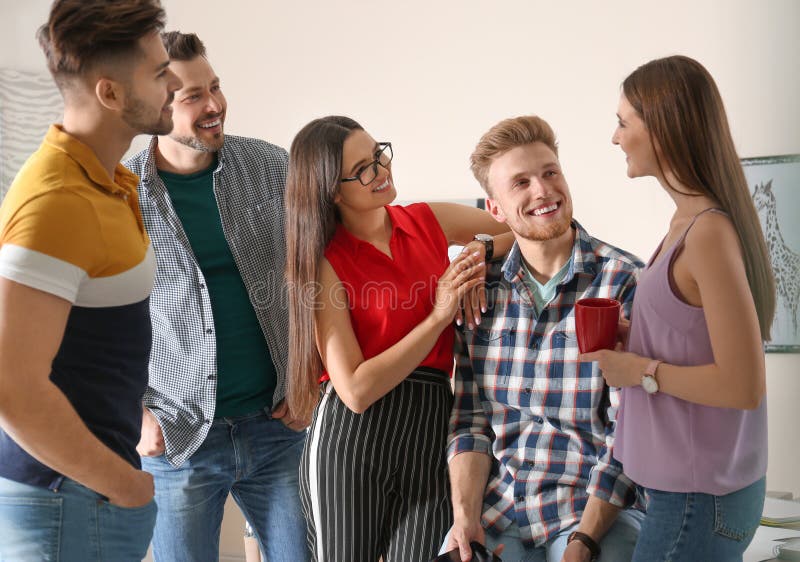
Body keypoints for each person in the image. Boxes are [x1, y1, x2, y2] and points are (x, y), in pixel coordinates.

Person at [285, 115, 513, 562]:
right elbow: (354, 390)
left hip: (431, 428)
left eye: (379, 154)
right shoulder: (323, 262)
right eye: (364, 168)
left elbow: (524, 229)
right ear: (333, 189)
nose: (381, 170)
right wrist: (438, 314)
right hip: (351, 441)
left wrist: (479, 251)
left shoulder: (427, 220)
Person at [0, 1, 181, 560]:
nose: (174, 81)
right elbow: (12, 388)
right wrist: (123, 485)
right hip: (68, 501)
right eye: (158, 72)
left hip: (86, 495)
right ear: (109, 93)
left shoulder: (108, 179)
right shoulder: (56, 201)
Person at [580, 55, 775, 561]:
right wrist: (636, 337)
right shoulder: (685, 222)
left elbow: (743, 384)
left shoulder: (706, 231)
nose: (615, 137)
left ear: (663, 129)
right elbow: (697, 335)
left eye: (624, 122)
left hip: (697, 501)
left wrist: (640, 370)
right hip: (687, 494)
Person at [124, 32, 308, 561]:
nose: (215, 106)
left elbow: (321, 276)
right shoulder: (120, 195)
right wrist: (132, 415)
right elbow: (85, 321)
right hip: (178, 442)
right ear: (156, 109)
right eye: (193, 97)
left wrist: (307, 378)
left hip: (277, 428)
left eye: (216, 87)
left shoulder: (273, 169)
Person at [444, 115, 646, 562]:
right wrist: (464, 518)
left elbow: (630, 432)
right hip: (498, 510)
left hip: (591, 510)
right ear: (494, 209)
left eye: (550, 172)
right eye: (520, 183)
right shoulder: (480, 291)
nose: (543, 190)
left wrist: (585, 541)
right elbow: (470, 421)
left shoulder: (625, 282)